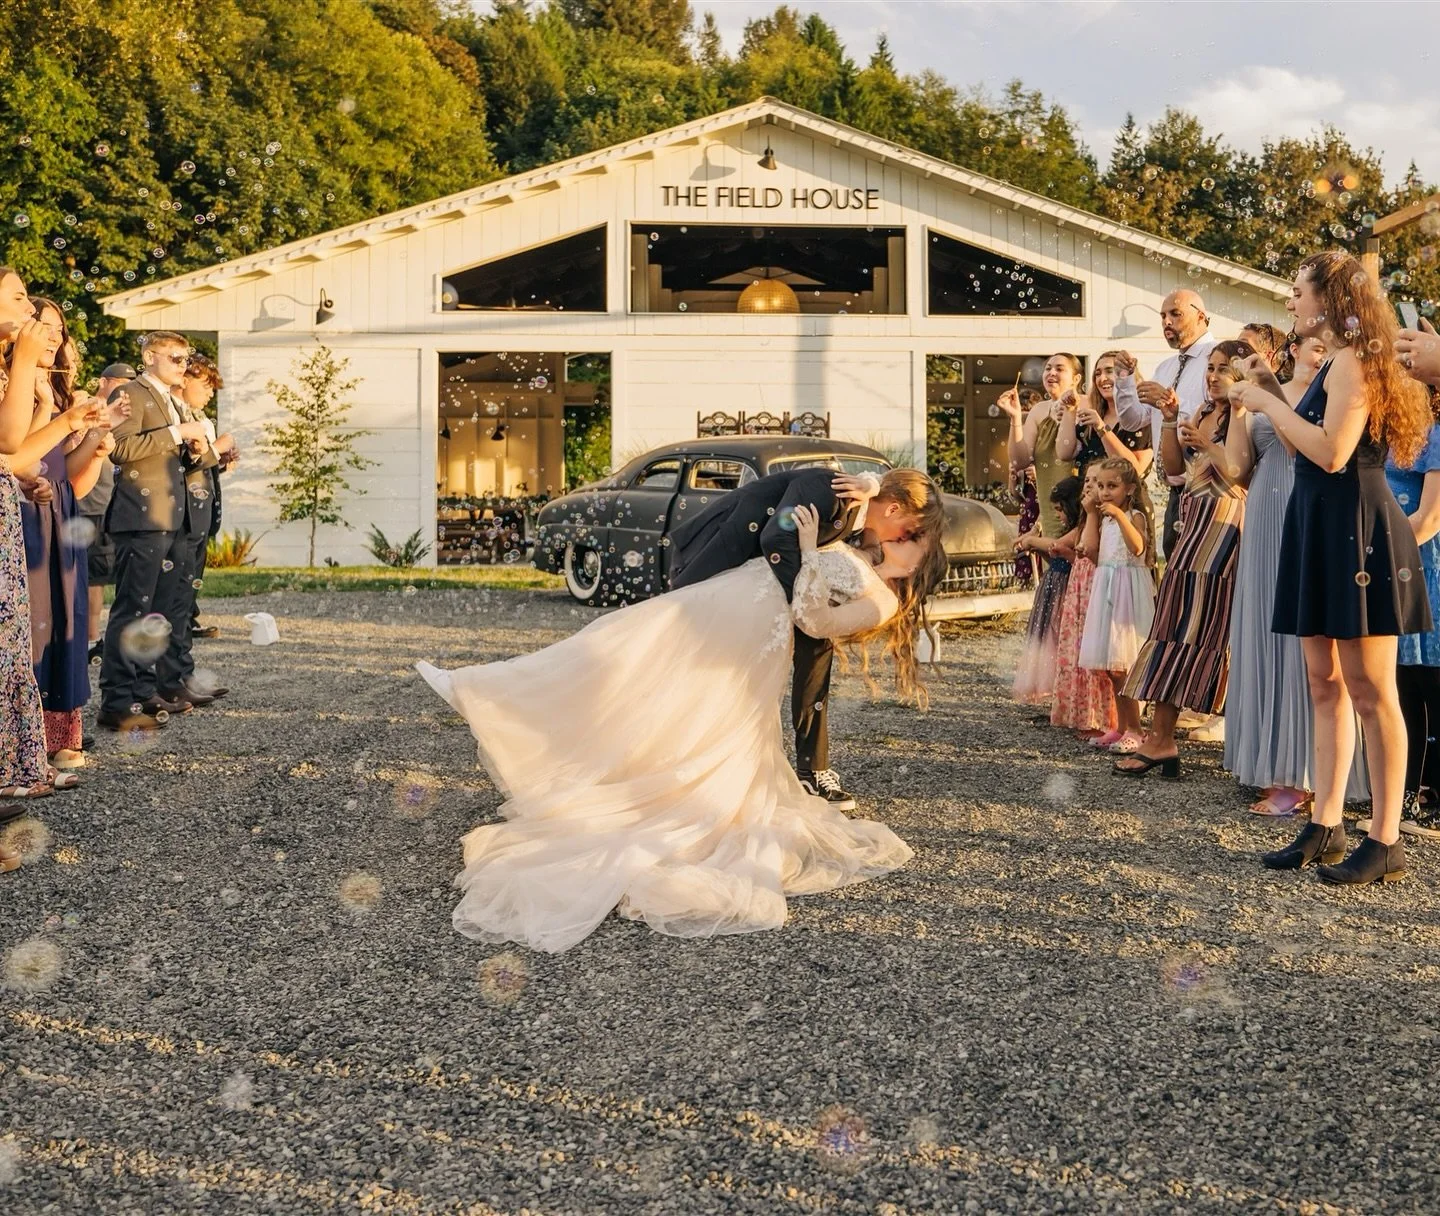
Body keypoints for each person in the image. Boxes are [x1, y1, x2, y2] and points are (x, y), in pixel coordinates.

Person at [416, 500, 946, 953]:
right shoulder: (859, 550)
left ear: (920, 567)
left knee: (624, 654)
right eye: (909, 533)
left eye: (914, 544)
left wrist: (807, 550)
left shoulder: (882, 598)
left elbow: (813, 621)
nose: (901, 540)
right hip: (728, 601)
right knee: (631, 656)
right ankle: (504, 696)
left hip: (749, 626)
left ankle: (488, 691)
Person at [1243, 252, 1432, 884]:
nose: (1291, 301)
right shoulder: (1337, 361)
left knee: (1374, 693)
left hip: (1357, 530)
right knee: (1323, 683)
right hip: (1322, 526)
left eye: (1299, 291)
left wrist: (1268, 407)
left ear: (1329, 300)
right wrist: (1270, 392)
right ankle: (1325, 824)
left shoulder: (1354, 361)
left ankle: (1385, 839)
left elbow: (1332, 452)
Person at [668, 465, 946, 810]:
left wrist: (810, 599)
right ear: (893, 510)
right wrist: (805, 596)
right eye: (910, 531)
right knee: (681, 660)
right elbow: (775, 538)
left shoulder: (858, 517)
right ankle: (675, 756)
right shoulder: (828, 492)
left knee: (815, 648)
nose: (901, 539)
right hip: (713, 561)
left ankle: (812, 769)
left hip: (762, 593)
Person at [1221, 333, 1365, 816]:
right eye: (1310, 345)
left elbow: (1306, 450)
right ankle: (1268, 762)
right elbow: (1238, 470)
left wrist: (1269, 395)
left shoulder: (1330, 395)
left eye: (1326, 346)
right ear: (1295, 350)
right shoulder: (1271, 389)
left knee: (1305, 644)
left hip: (1304, 509)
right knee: (1266, 632)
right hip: (1263, 512)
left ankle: (1302, 774)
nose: (1319, 352)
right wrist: (1239, 409)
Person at [1114, 341, 1252, 780]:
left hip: (1226, 527)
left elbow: (1242, 475)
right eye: (1210, 369)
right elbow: (1171, 469)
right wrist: (1173, 421)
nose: (1212, 377)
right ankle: (1162, 738)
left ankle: (1164, 738)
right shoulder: (1204, 414)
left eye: (1223, 370)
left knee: (1194, 628)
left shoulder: (1246, 416)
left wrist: (1209, 447)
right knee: (1172, 625)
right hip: (1193, 522)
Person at [97, 331, 214, 731]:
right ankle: (115, 701)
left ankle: (144, 690)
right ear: (149, 357)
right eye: (175, 358)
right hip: (142, 518)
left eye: (186, 359)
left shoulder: (169, 400)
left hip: (172, 519)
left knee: (157, 613)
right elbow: (120, 448)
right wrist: (178, 434)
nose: (183, 366)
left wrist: (192, 449)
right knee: (133, 610)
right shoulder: (131, 392)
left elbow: (172, 453)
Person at [18, 300, 116, 772]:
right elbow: (17, 454)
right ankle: (25, 742)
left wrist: (95, 448)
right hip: (22, 510)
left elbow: (69, 480)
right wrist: (45, 408)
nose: (54, 337)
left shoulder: (58, 392)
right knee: (32, 626)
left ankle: (61, 736)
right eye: (45, 327)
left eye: (60, 329)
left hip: (57, 509)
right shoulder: (22, 389)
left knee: (65, 621)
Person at [1114, 291, 1217, 559]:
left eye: (1175, 314)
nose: (1166, 322)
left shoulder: (1215, 360)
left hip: (1209, 487)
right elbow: (1133, 420)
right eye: (1162, 316)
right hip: (1175, 490)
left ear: (1201, 317)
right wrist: (1124, 380)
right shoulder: (1165, 368)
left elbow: (1217, 418)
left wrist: (1172, 405)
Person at [168, 353, 235, 700]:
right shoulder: (174, 416)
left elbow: (195, 469)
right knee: (175, 603)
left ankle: (183, 675)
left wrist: (218, 464)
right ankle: (174, 680)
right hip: (179, 522)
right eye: (206, 385)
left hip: (198, 520)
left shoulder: (196, 416)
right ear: (185, 379)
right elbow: (179, 466)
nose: (210, 393)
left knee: (185, 604)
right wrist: (216, 448)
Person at [1080, 457, 1156, 754]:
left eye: (1112, 486)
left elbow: (1137, 547)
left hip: (1127, 591)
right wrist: (1091, 515)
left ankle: (1136, 729)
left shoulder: (1133, 515)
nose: (1104, 491)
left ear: (1130, 489)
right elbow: (1092, 552)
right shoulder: (1104, 519)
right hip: (1107, 587)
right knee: (1112, 669)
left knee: (1125, 666)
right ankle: (1121, 726)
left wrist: (1120, 516)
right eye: (1100, 485)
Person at [1047, 466, 1117, 738]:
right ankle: (1081, 713)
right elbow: (1078, 550)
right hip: (1081, 586)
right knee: (1078, 649)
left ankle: (1100, 719)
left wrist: (1089, 514)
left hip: (1097, 587)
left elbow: (1090, 549)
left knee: (1095, 652)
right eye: (1087, 480)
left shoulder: (1103, 518)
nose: (1089, 486)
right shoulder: (1087, 518)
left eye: (1097, 482)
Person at [77, 362, 135, 664]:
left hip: (108, 506)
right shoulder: (90, 409)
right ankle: (90, 640)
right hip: (88, 507)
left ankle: (93, 637)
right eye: (120, 383)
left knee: (99, 577)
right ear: (103, 382)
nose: (126, 390)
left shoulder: (124, 415)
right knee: (92, 579)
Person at [1012, 477, 1080, 707]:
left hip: (1065, 589)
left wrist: (1031, 540)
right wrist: (1035, 547)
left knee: (1059, 635)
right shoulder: (1068, 530)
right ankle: (1053, 686)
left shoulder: (1079, 531)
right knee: (1049, 635)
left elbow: (1056, 547)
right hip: (1053, 586)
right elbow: (1054, 555)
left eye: (1061, 509)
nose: (1059, 515)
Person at [1056, 350, 1153, 483]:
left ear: (1127, 376)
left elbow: (1135, 470)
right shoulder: (1092, 417)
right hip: (1088, 500)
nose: (1102, 379)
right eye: (1097, 374)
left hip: (1126, 502)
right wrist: (1070, 410)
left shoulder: (1143, 418)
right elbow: (1064, 453)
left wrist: (1102, 429)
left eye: (1109, 371)